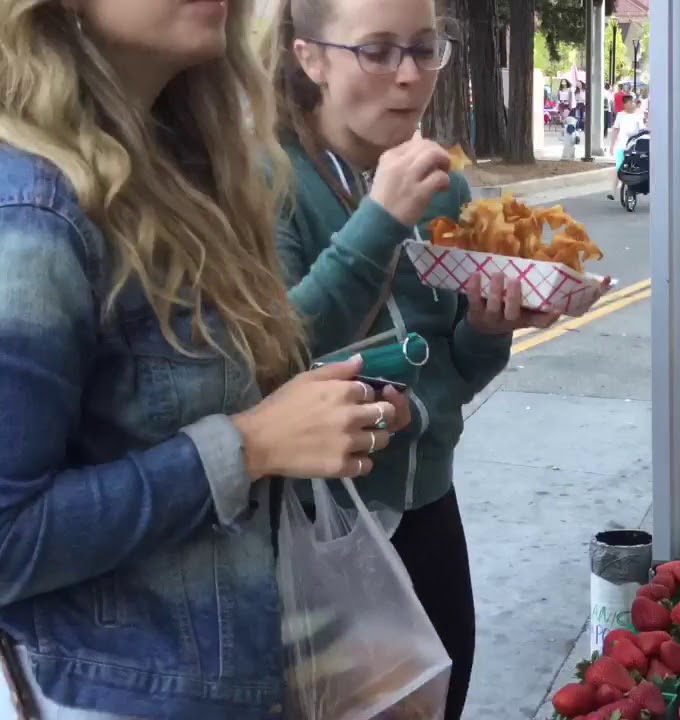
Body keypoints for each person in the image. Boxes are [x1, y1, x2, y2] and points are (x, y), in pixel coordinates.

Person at [0, 1, 403, 717]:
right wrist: (248, 447)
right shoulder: (31, 209)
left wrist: (330, 409)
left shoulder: (184, 167)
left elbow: (184, 402)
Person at [266, 1, 559, 717]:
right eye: (378, 51)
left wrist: (492, 328)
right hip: (314, 528)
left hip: (428, 503)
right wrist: (379, 220)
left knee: (441, 696)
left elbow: (455, 375)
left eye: (425, 49)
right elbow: (268, 357)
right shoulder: (265, 182)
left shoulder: (446, 187)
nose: (408, 77)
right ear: (311, 58)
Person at [608, 94, 646, 200]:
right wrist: (612, 145)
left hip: (634, 147)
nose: (633, 104)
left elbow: (643, 130)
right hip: (622, 147)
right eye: (630, 102)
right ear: (625, 104)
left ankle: (634, 187)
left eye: (633, 102)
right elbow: (615, 130)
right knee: (619, 167)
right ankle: (613, 191)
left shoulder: (638, 115)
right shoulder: (620, 115)